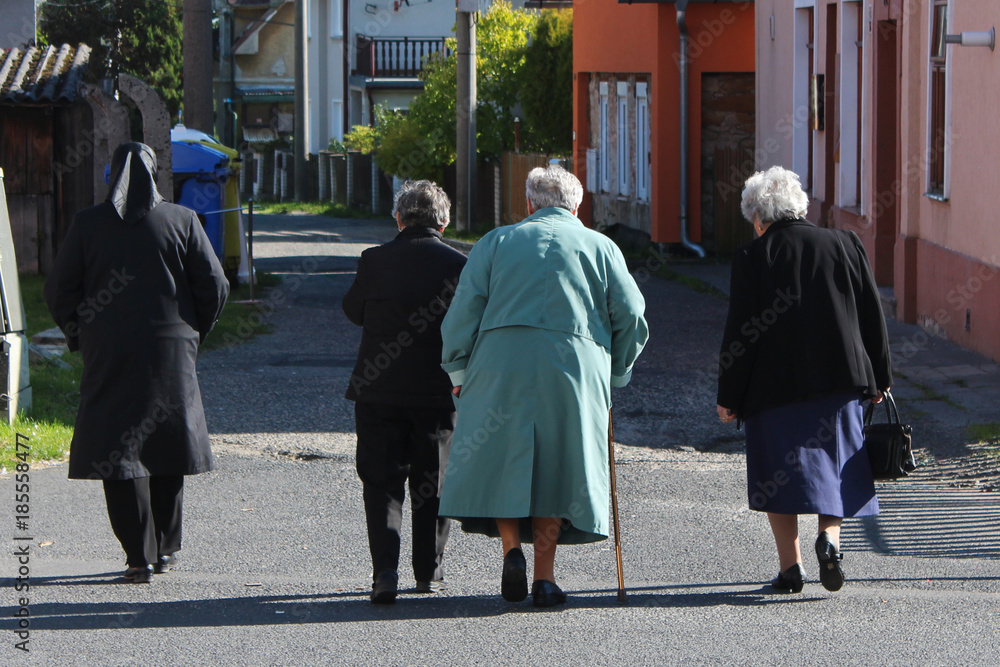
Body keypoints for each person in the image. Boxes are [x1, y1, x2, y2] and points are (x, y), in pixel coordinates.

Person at [438, 165, 648, 607]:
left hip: (500, 363)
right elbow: (630, 312)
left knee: (504, 459)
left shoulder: (495, 242)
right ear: (578, 206)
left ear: (528, 204)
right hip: (572, 368)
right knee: (556, 468)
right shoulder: (601, 246)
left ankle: (512, 551)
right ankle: (545, 579)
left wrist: (459, 370)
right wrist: (616, 371)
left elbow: (463, 312)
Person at [45, 142, 229, 583]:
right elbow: (216, 284)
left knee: (118, 449)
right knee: (167, 443)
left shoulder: (88, 224)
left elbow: (58, 291)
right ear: (154, 174)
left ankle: (136, 556)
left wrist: (81, 333)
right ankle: (166, 549)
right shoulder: (182, 220)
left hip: (109, 350)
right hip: (171, 350)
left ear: (113, 177)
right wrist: (194, 330)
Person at [716, 166, 892, 594]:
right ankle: (829, 542)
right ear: (800, 206)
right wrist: (880, 377)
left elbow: (740, 332)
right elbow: (872, 313)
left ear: (759, 218)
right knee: (835, 469)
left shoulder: (753, 258)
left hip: (772, 388)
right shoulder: (844, 243)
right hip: (841, 381)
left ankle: (790, 570)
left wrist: (729, 395)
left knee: (780, 476)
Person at [342, 180, 467, 604]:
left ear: (399, 219)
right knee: (432, 481)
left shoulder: (374, 260)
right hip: (436, 391)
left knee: (381, 481)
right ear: (444, 222)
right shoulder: (458, 264)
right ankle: (428, 571)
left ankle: (385, 573)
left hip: (378, 389)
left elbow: (353, 310)